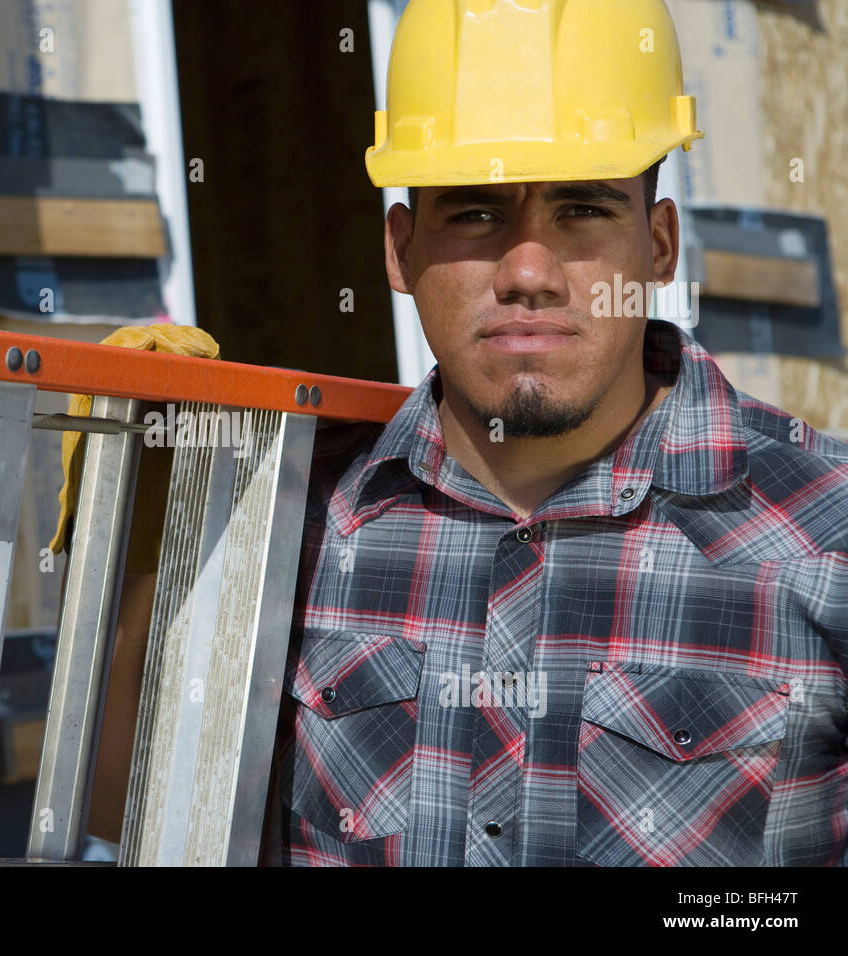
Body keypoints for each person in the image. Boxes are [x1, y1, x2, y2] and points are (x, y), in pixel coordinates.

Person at [59, 0, 848, 865]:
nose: (528, 271)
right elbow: (132, 808)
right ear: (399, 251)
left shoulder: (825, 534)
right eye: (475, 213)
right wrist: (155, 549)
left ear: (658, 244)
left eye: (582, 209)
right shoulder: (288, 514)